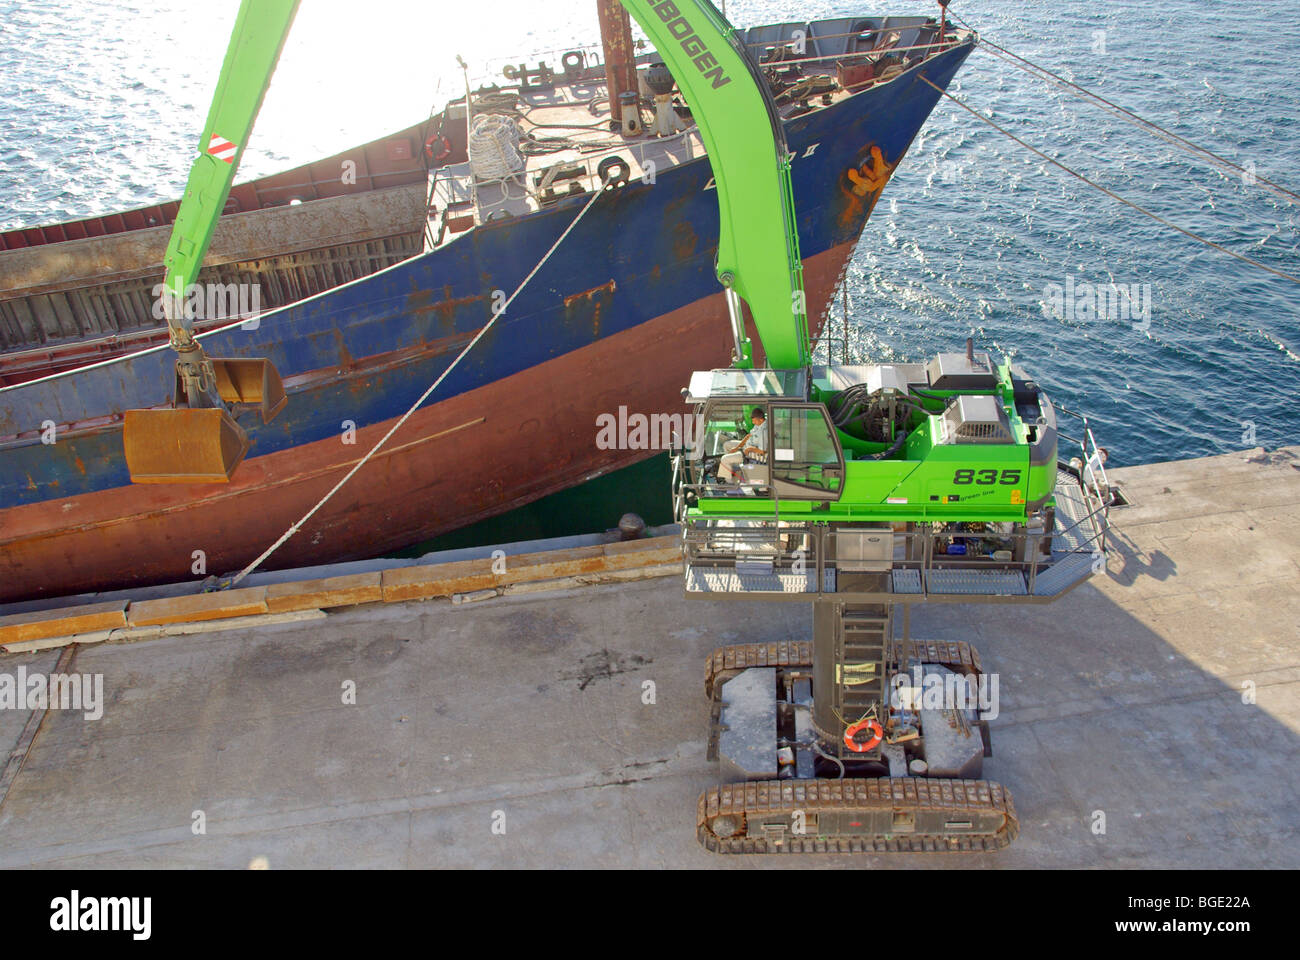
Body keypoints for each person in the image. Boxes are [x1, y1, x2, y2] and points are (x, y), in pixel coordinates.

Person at [718, 408, 767, 484]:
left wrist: (748, 449)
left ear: (760, 419)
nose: (753, 422)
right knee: (727, 445)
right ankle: (733, 468)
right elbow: (748, 436)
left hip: (750, 454)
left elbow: (762, 451)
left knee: (724, 459)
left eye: (754, 421)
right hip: (747, 446)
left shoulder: (764, 431)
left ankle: (729, 483)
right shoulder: (758, 425)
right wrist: (737, 447)